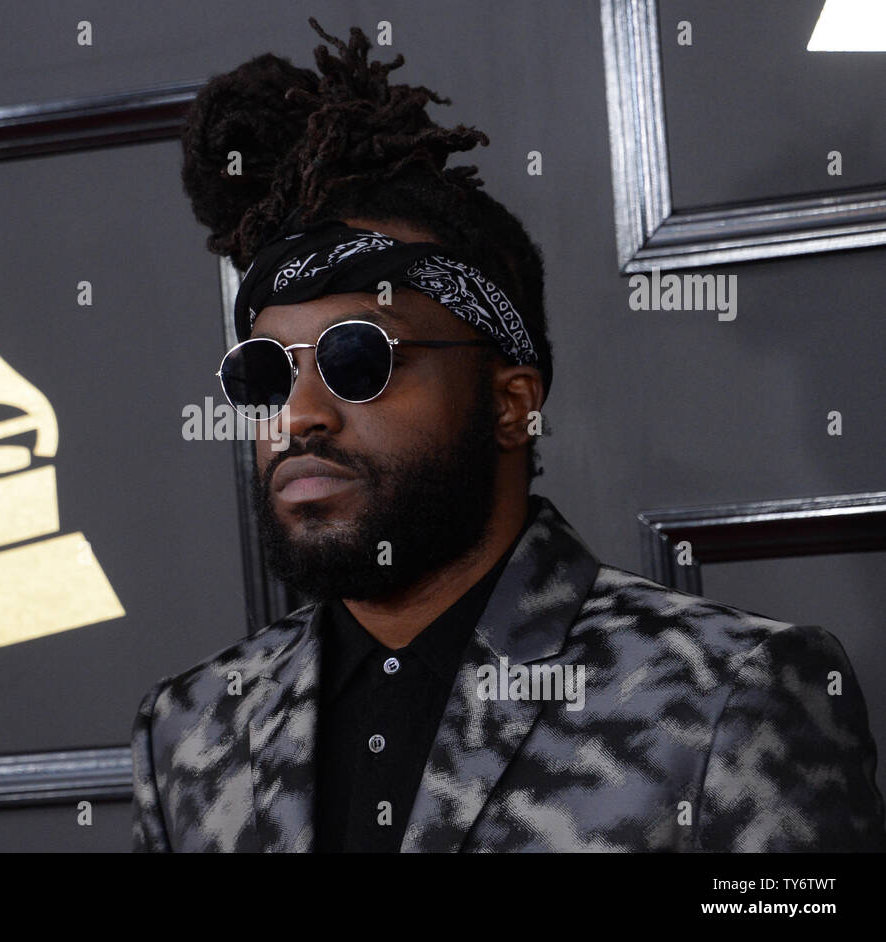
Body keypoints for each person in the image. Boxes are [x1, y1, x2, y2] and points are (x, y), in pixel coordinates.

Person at [130, 17, 885, 852]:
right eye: (267, 375)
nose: (299, 414)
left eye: (357, 357)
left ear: (510, 401)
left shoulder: (729, 693)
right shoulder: (192, 728)